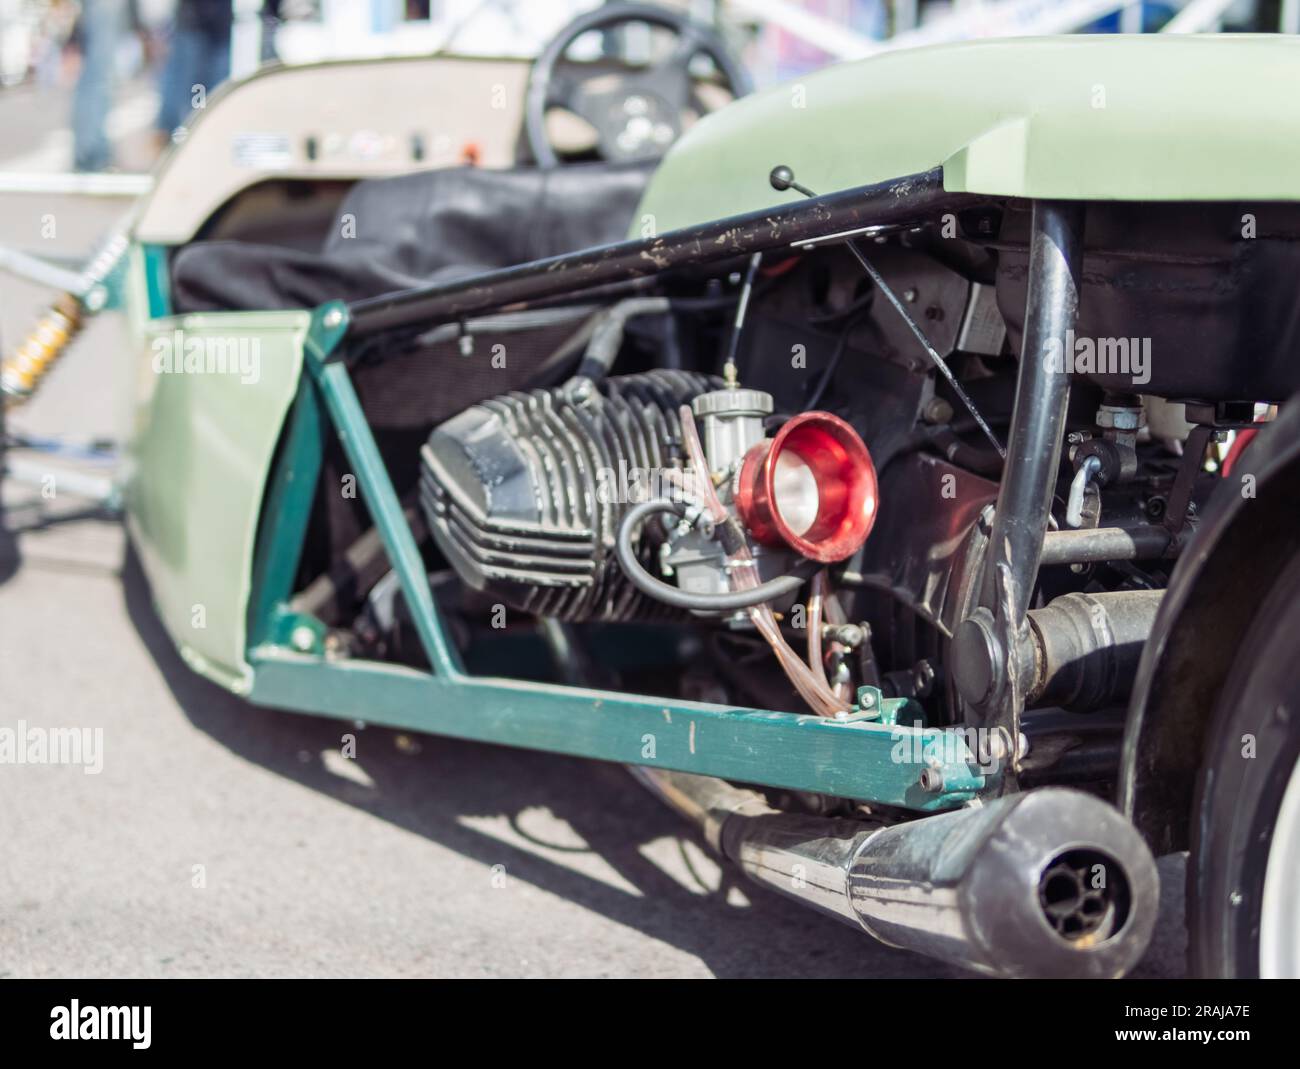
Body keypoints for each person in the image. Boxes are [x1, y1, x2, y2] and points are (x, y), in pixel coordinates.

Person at [156, 0, 232, 142]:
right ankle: (175, 137)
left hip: (221, 25)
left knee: (210, 92)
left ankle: (198, 136)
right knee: (192, 87)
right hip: (195, 23)